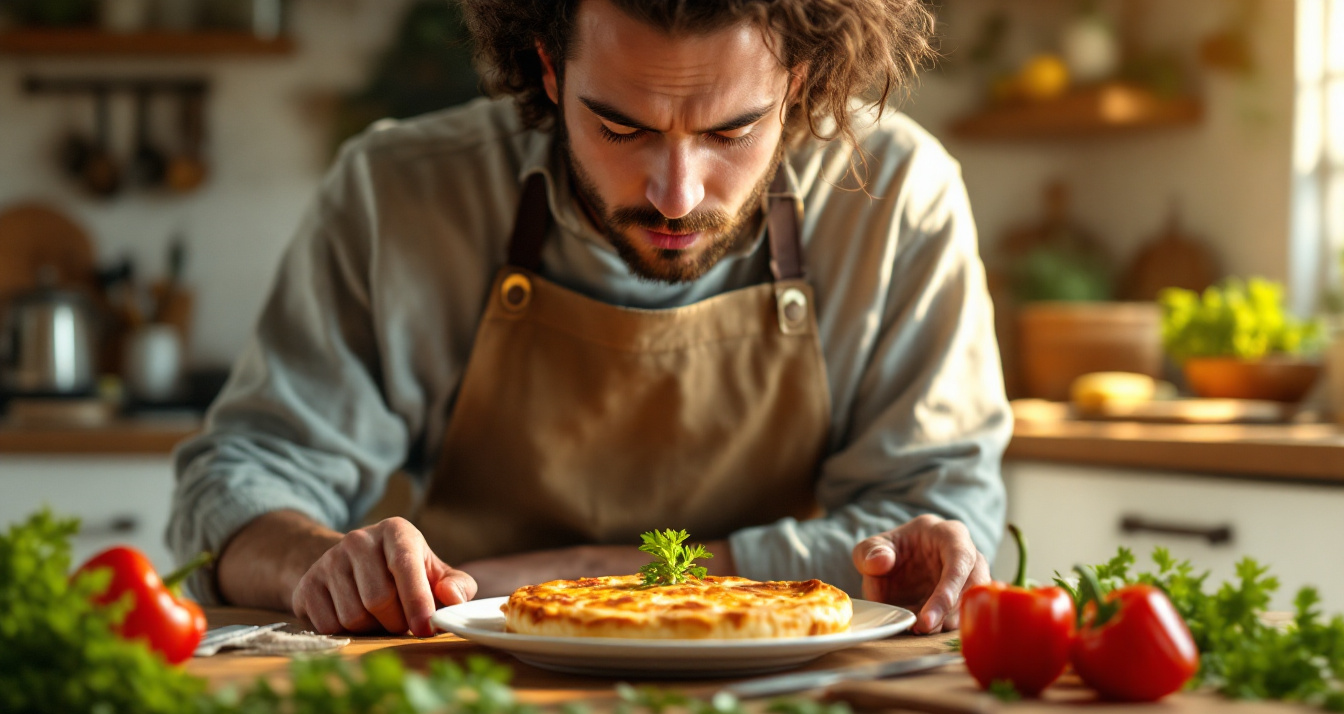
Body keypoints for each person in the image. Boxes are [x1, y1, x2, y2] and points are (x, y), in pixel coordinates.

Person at [168, 0, 1011, 640]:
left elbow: (936, 516)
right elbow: (238, 486)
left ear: (797, 83)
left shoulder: (898, 197)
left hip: (795, 705)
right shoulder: (398, 195)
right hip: (464, 691)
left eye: (732, 130)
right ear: (547, 69)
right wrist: (325, 563)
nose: (676, 194)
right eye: (620, 125)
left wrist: (548, 578)